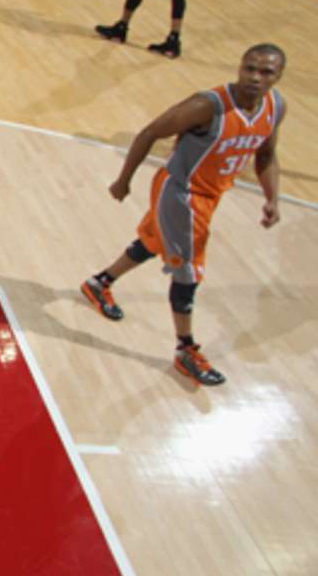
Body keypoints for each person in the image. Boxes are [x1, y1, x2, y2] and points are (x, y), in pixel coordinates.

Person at [80, 44, 286, 386]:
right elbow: (149, 132)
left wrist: (272, 199)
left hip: (210, 195)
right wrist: (123, 180)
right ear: (239, 66)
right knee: (187, 272)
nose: (255, 77)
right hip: (180, 194)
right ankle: (185, 350)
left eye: (265, 72)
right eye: (249, 68)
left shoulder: (275, 107)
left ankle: (99, 284)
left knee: (154, 242)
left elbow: (265, 155)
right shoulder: (207, 105)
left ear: (278, 77)